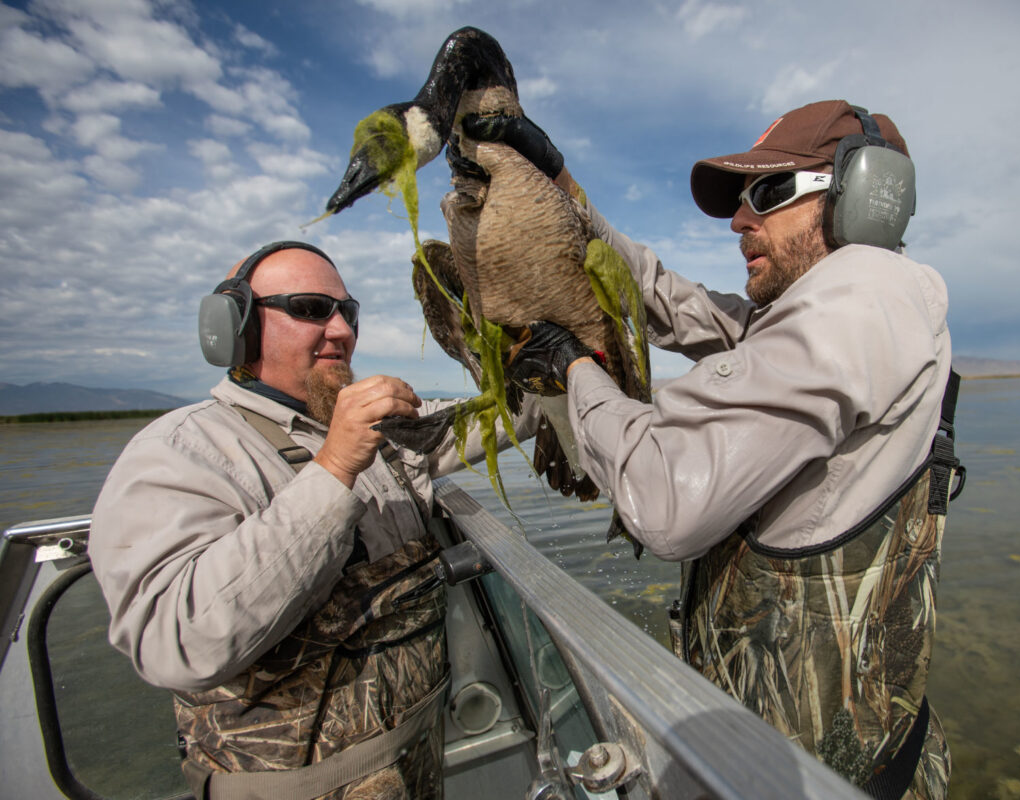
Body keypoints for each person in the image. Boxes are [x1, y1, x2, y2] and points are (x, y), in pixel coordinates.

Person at [477, 100, 960, 799]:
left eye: (768, 193)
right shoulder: (821, 316)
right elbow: (664, 298)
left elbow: (667, 503)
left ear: (865, 197)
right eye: (740, 200)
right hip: (795, 765)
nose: (739, 221)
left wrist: (573, 369)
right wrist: (560, 185)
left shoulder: (865, 294)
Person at [90, 241, 537, 800]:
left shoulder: (384, 428)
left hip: (419, 759)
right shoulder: (180, 451)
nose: (341, 330)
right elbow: (175, 643)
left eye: (347, 311)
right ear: (237, 327)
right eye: (309, 309)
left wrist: (566, 365)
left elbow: (503, 416)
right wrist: (334, 467)